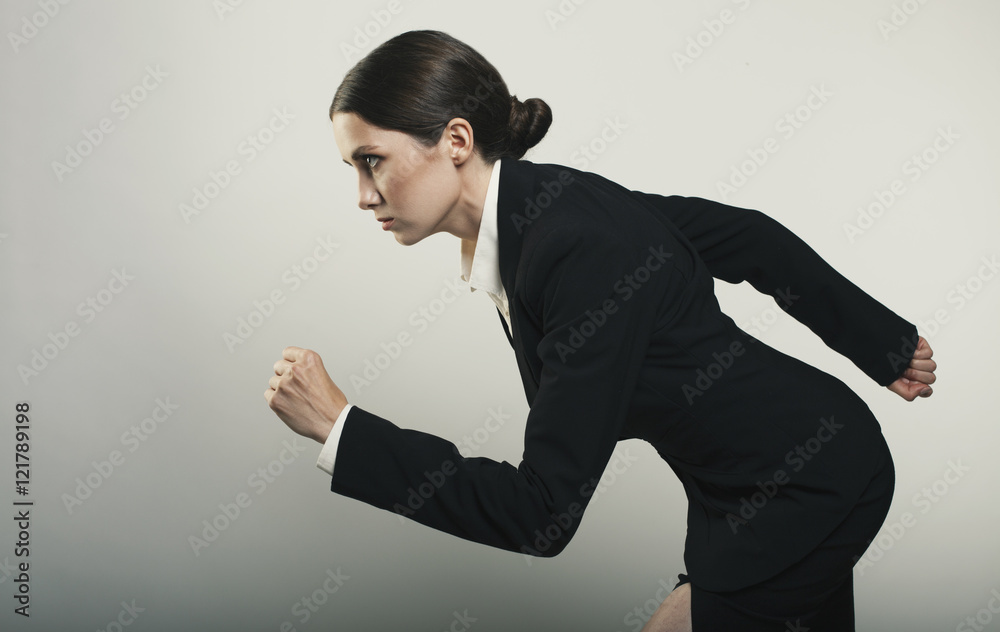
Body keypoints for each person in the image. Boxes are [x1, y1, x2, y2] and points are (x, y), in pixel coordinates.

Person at [264, 30, 936, 631]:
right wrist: (884, 345)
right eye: (353, 168)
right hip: (736, 493)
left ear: (456, 141)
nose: (363, 195)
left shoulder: (575, 246)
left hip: (810, 483)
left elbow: (541, 512)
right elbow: (748, 238)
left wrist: (341, 428)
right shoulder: (540, 207)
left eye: (372, 160)